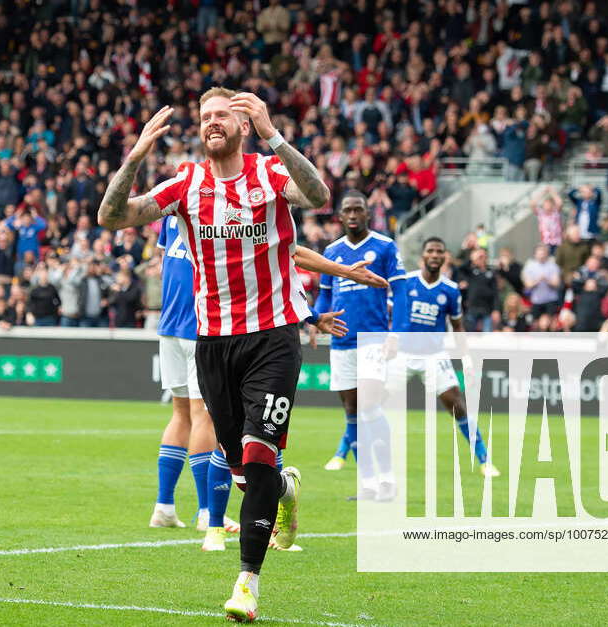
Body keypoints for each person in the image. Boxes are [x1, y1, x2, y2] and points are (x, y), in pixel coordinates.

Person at [97, 89, 385, 622]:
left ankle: (247, 583)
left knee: (256, 453)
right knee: (245, 472)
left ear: (244, 124)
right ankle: (284, 490)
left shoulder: (268, 174)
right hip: (213, 343)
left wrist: (275, 135)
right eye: (205, 117)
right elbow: (113, 216)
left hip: (273, 338)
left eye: (222, 116)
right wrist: (134, 158)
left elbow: (317, 194)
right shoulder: (186, 184)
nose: (211, 123)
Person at [152, 213, 242, 550]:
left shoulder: (171, 219)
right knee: (205, 416)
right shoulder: (208, 214)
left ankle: (164, 507)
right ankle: (206, 511)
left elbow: (168, 267)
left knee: (180, 414)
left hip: (170, 325)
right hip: (198, 326)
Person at [315, 191, 406, 478]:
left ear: (367, 213)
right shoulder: (331, 252)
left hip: (374, 339)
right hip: (341, 341)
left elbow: (401, 294)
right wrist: (317, 320)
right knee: (352, 411)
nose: (353, 215)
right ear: (340, 216)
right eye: (348, 211)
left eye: (358, 210)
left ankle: (387, 475)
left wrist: (396, 335)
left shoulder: (384, 247)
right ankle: (368, 481)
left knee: (368, 405)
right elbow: (324, 296)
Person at [393, 237, 499, 481]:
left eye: (439, 251)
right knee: (375, 404)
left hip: (434, 355)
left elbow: (458, 327)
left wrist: (467, 360)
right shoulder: (406, 282)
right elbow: (390, 315)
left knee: (456, 404)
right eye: (430, 250)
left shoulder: (450, 290)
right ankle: (351, 455)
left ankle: (483, 458)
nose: (435, 255)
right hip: (402, 354)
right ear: (423, 256)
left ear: (445, 257)